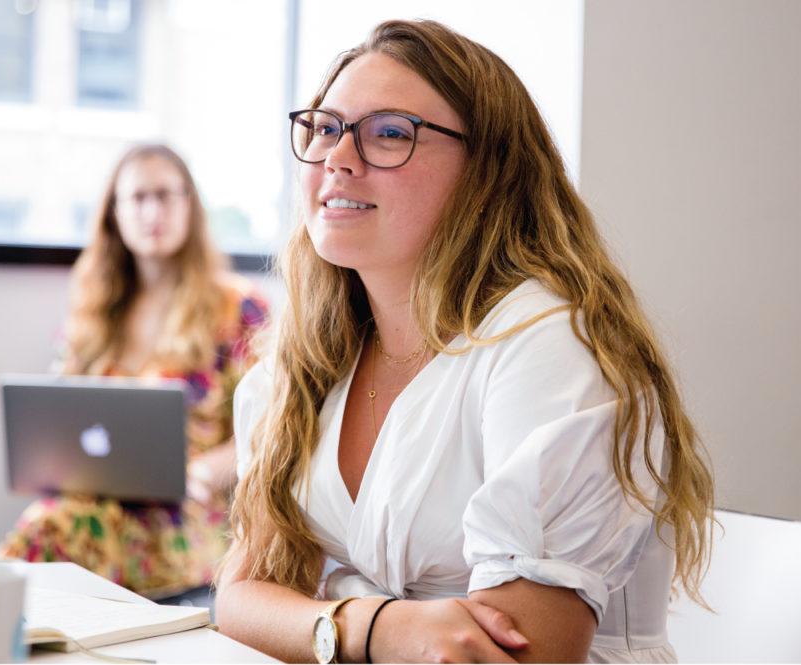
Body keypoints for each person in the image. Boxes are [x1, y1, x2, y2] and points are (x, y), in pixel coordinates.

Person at [216, 19, 714, 663]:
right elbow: (237, 597)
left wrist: (314, 616)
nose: (338, 157)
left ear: (490, 172)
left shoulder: (550, 347)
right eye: (324, 128)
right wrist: (371, 627)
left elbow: (517, 653)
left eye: (390, 133)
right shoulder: (304, 359)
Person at [0, 144, 269, 603]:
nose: (152, 211)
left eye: (165, 195)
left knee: (47, 530)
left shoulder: (239, 308)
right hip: (93, 502)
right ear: (115, 213)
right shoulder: (94, 313)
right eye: (137, 198)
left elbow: (269, 428)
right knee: (51, 523)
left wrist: (202, 472)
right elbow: (58, 423)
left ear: (190, 205)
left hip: (191, 516)